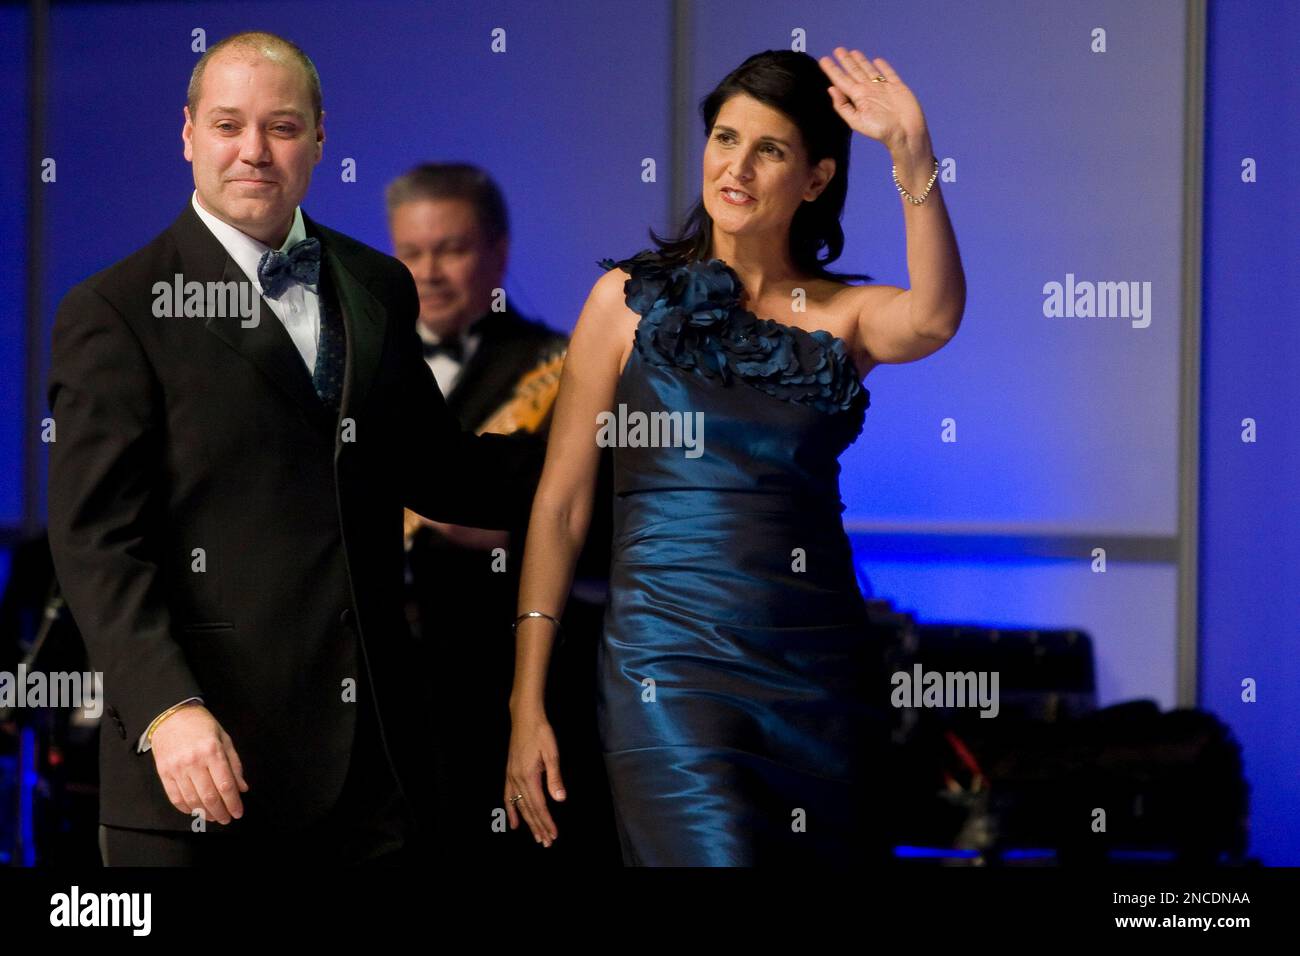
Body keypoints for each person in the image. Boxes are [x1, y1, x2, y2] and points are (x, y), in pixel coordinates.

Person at [45, 31, 541, 866]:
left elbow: (440, 471)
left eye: (281, 127)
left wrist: (629, 459)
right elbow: (97, 544)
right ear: (189, 135)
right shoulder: (116, 309)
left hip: (374, 771)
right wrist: (168, 711)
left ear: (319, 138)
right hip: (202, 774)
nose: (253, 152)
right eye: (228, 125)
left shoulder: (376, 282)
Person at [503, 47, 965, 865]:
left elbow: (933, 317)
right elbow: (562, 506)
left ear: (816, 179)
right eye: (725, 137)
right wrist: (525, 699)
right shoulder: (622, 303)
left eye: (771, 149)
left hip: (817, 670)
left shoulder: (846, 314)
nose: (737, 166)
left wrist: (913, 155)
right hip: (667, 671)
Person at [385, 163, 619, 865]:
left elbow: (603, 532)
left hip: (500, 692)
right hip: (379, 697)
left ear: (499, 252)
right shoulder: (365, 368)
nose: (428, 272)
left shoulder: (563, 365)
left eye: (450, 249)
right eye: (411, 252)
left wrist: (506, 533)